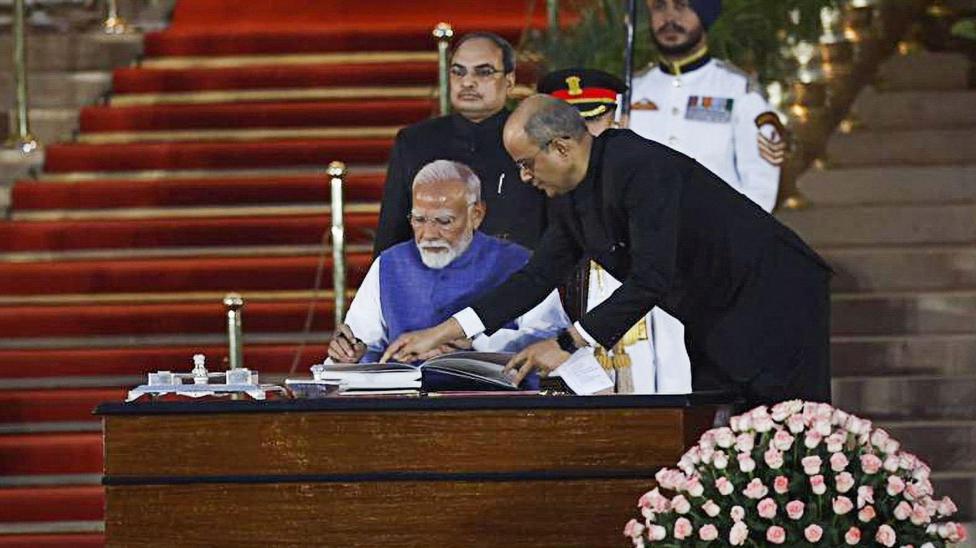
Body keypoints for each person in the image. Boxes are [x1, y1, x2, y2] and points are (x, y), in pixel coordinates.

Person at [381, 96, 832, 406]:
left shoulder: (639, 168)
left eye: (526, 164)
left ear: (561, 147)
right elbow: (537, 277)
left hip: (774, 298)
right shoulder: (570, 193)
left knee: (788, 439)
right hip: (714, 314)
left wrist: (567, 343)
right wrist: (441, 331)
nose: (523, 178)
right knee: (722, 440)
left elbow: (652, 277)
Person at [329, 160, 568, 364]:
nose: (429, 234)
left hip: (493, 395)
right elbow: (363, 341)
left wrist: (474, 344)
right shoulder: (390, 264)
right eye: (419, 219)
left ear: (476, 215)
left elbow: (549, 337)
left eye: (444, 221)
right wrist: (350, 353)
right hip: (404, 396)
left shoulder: (519, 262)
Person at [373, 32, 547, 255]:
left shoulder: (535, 140)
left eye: (484, 72)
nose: (467, 82)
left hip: (521, 271)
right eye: (458, 72)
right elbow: (391, 238)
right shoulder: (415, 142)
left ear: (509, 80)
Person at [631, 0, 785, 212]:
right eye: (660, 7)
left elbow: (760, 188)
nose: (669, 18)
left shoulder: (739, 90)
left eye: (681, 6)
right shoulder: (631, 91)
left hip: (719, 228)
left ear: (704, 14)